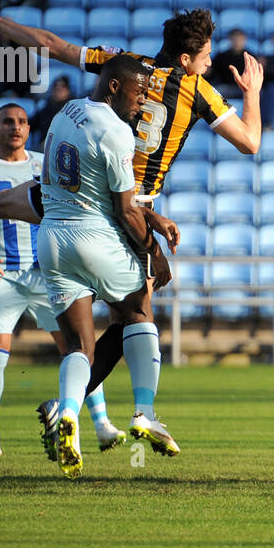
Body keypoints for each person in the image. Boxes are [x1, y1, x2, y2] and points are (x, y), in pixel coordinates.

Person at [0, 0, 266, 457]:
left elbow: (49, 43)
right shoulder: (197, 89)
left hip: (70, 192)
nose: (208, 66)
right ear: (187, 60)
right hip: (124, 203)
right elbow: (250, 142)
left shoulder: (121, 66)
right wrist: (252, 95)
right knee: (133, 315)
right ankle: (129, 410)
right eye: (205, 59)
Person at [36, 55, 169, 478]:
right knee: (137, 309)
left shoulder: (66, 111)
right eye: (140, 91)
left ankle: (69, 415)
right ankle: (145, 413)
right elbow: (126, 209)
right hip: (93, 236)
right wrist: (155, 253)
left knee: (79, 347)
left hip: (52, 238)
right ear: (114, 86)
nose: (144, 101)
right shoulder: (115, 132)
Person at [0, 104, 100, 456]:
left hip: (47, 275)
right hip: (2, 276)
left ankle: (102, 424)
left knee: (78, 351)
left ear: (29, 129)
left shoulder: (44, 164)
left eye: (20, 122)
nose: (15, 128)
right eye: (8, 122)